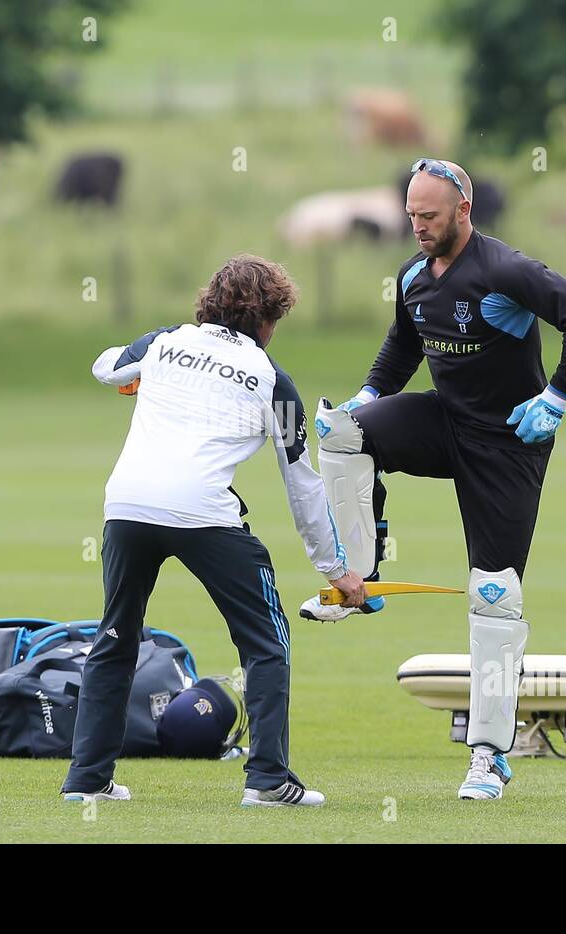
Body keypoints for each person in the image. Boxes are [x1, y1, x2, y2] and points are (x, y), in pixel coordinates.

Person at [299, 159, 566, 800]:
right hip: (446, 423)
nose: (417, 226)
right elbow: (403, 345)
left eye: (429, 216)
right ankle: (358, 578)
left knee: (494, 595)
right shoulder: (413, 276)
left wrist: (556, 397)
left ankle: (488, 759)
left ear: (464, 212)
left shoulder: (506, 271)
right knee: (338, 431)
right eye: (411, 215)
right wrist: (369, 393)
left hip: (508, 444)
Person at [61, 254, 367, 808]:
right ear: (268, 320)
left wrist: (138, 374)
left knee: (115, 639)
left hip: (126, 506)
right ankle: (269, 780)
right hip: (203, 512)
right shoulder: (276, 381)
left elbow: (105, 367)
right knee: (265, 645)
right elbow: (303, 486)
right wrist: (337, 571)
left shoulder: (163, 341)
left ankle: (87, 782)